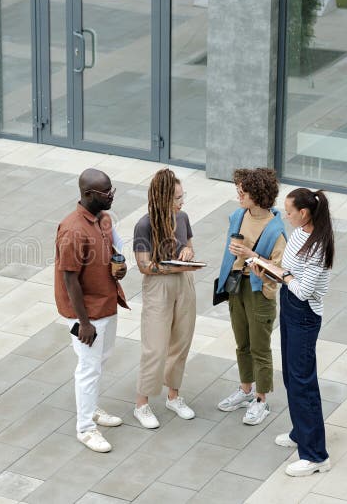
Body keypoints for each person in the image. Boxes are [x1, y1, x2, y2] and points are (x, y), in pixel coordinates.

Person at [253, 188, 335, 477]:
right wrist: (270, 271)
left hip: (304, 313)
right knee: (290, 375)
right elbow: (289, 272)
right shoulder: (300, 233)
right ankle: (301, 432)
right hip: (289, 305)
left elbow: (303, 290)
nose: (284, 216)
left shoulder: (318, 245)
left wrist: (285, 276)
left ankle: (315, 456)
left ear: (304, 213)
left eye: (288, 211)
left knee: (303, 382)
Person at [54, 168, 129, 453]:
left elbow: (114, 250)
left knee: (101, 360)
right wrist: (83, 323)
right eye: (106, 193)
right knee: (88, 367)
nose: (111, 196)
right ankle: (85, 428)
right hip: (87, 314)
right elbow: (69, 278)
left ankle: (92, 408)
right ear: (88, 194)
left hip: (107, 302)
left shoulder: (103, 219)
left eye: (112, 190)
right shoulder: (73, 230)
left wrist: (118, 266)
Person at [131, 169, 202, 429]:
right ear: (162, 199)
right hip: (159, 287)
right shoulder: (144, 225)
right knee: (155, 346)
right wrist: (174, 268)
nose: (181, 202)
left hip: (185, 283)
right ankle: (142, 404)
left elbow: (190, 245)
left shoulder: (182, 217)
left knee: (181, 341)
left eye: (183, 196)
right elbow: (144, 265)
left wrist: (187, 251)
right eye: (176, 198)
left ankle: (173, 395)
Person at [215, 168, 286, 425]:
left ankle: (261, 400)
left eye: (242, 192)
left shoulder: (275, 229)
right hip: (237, 287)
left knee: (259, 347)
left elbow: (278, 270)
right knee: (241, 342)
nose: (239, 196)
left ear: (257, 195)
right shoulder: (237, 216)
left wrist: (249, 254)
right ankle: (245, 390)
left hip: (260, 292)